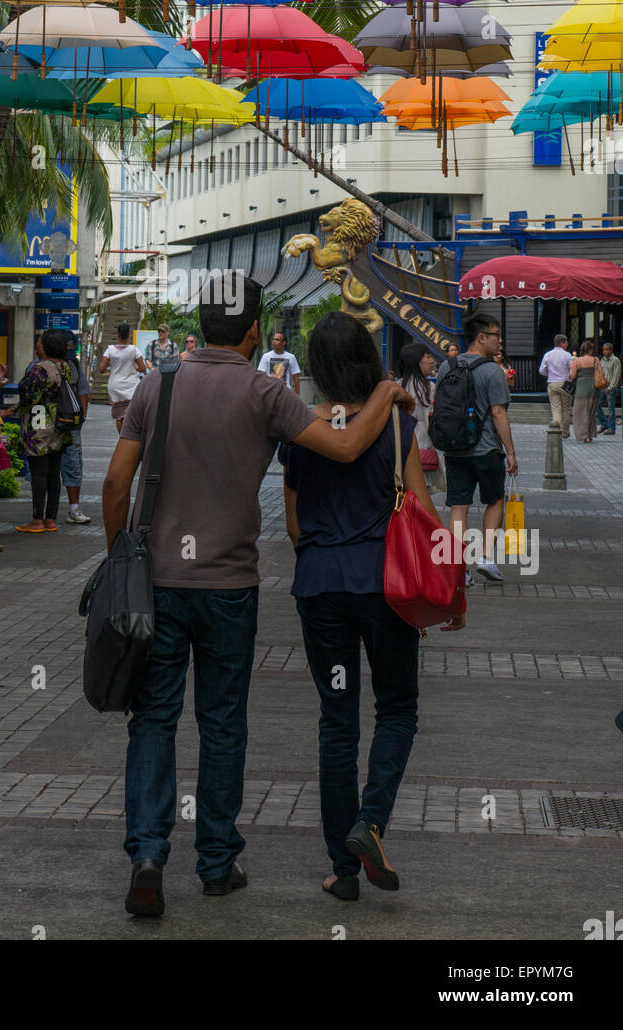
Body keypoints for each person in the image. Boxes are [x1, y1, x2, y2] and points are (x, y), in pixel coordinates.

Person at [102, 273, 414, 919]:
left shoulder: (156, 384)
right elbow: (348, 442)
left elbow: (114, 480)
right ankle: (216, 863)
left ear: (199, 324)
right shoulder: (264, 392)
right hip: (227, 587)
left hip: (156, 584)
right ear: (251, 332)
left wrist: (118, 557)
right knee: (220, 725)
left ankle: (148, 854)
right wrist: (386, 391)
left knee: (154, 720)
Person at [281, 314, 461, 903]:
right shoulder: (397, 428)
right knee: (398, 710)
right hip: (385, 588)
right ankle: (372, 822)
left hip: (320, 587)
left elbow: (293, 524)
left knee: (337, 723)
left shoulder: (301, 428)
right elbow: (428, 517)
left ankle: (343, 869)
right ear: (366, 359)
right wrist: (447, 592)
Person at [444, 313, 517, 584]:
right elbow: (498, 413)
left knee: (458, 507)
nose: (500, 340)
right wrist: (510, 451)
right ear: (481, 337)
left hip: (454, 449)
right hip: (487, 450)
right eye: (496, 334)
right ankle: (486, 557)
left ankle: (457, 569)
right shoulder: (492, 371)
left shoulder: (446, 366)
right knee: (495, 500)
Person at [15, 330, 76, 534]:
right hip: (59, 425)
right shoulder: (65, 367)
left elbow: (30, 399)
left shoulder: (40, 369)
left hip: (39, 424)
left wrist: (12, 410)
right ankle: (51, 519)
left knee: (39, 473)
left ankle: (37, 520)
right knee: (53, 474)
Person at [398, 341, 445, 493]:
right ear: (416, 362)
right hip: (425, 452)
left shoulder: (397, 388)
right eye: (427, 357)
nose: (432, 361)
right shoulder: (431, 389)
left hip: (400, 453)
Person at [61, 332, 92, 523]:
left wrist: (81, 419)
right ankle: (44, 514)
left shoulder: (74, 364)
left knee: (73, 465)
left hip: (70, 424)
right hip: (49, 426)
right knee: (46, 469)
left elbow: (83, 392)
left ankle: (74, 508)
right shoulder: (39, 366)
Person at [100, 322, 145, 433]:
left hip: (115, 386)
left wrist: (114, 366)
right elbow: (143, 368)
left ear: (117, 334)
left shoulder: (110, 350)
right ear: (128, 335)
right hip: (132, 386)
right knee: (131, 414)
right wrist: (134, 367)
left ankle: (122, 438)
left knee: (119, 415)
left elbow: (102, 369)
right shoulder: (134, 350)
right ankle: (131, 437)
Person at [539, 334, 572, 438]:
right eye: (566, 342)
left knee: (556, 408)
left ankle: (556, 430)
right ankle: (565, 432)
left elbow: (541, 370)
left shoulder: (548, 355)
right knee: (566, 409)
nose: (567, 344)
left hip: (552, 383)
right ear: (562, 343)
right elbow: (572, 369)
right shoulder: (567, 355)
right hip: (564, 383)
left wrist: (549, 374)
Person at [570, 339, 602, 443]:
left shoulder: (577, 361)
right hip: (594, 389)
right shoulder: (595, 360)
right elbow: (600, 374)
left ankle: (583, 435)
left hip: (581, 389)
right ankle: (590, 434)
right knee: (591, 412)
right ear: (590, 350)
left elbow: (572, 376)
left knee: (580, 412)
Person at [597, 341, 621, 436]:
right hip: (603, 386)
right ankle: (604, 424)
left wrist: (611, 387)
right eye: (603, 350)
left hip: (611, 387)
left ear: (611, 350)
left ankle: (612, 428)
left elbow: (616, 376)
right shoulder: (602, 360)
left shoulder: (615, 360)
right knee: (597, 405)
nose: (605, 352)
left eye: (607, 350)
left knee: (611, 408)